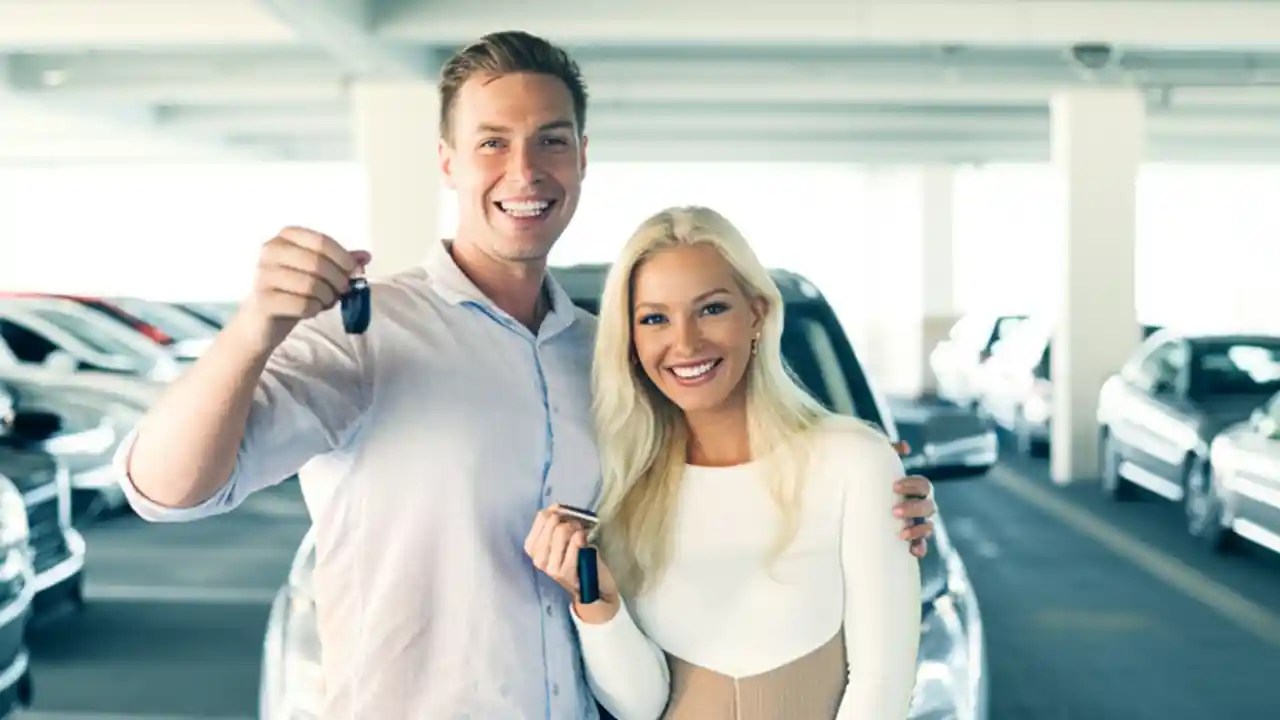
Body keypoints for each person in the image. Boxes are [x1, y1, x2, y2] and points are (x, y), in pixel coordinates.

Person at [112, 31, 937, 719]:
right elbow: (167, 491)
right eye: (493, 144)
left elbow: (732, 472)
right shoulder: (367, 337)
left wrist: (867, 497)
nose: (525, 170)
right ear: (447, 163)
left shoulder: (615, 363)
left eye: (551, 139)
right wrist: (252, 329)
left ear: (582, 156)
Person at [525, 206, 922, 720]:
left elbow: (882, 686)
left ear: (756, 313)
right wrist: (598, 607)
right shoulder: (625, 486)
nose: (686, 342)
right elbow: (640, 707)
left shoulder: (854, 463)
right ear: (631, 340)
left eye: (711, 309)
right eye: (654, 319)